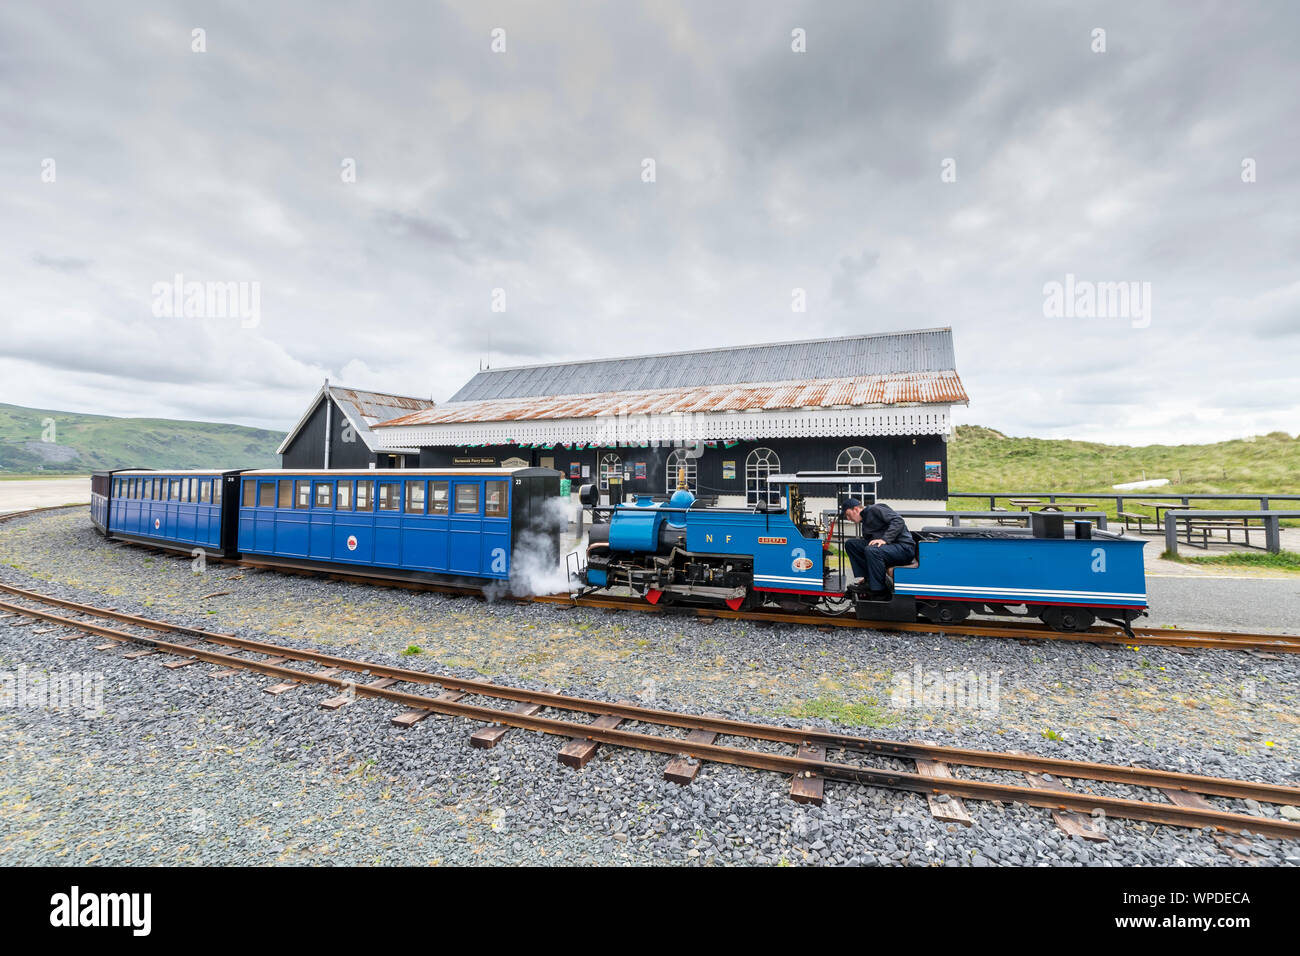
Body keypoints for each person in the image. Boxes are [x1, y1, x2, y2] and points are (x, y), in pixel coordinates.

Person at [839, 498, 916, 600]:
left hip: (903, 548)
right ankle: (868, 580)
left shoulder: (875, 509)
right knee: (851, 544)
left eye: (848, 514)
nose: (848, 519)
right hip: (891, 548)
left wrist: (885, 539)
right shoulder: (865, 520)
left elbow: (898, 520)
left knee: (872, 550)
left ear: (856, 509)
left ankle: (878, 591)